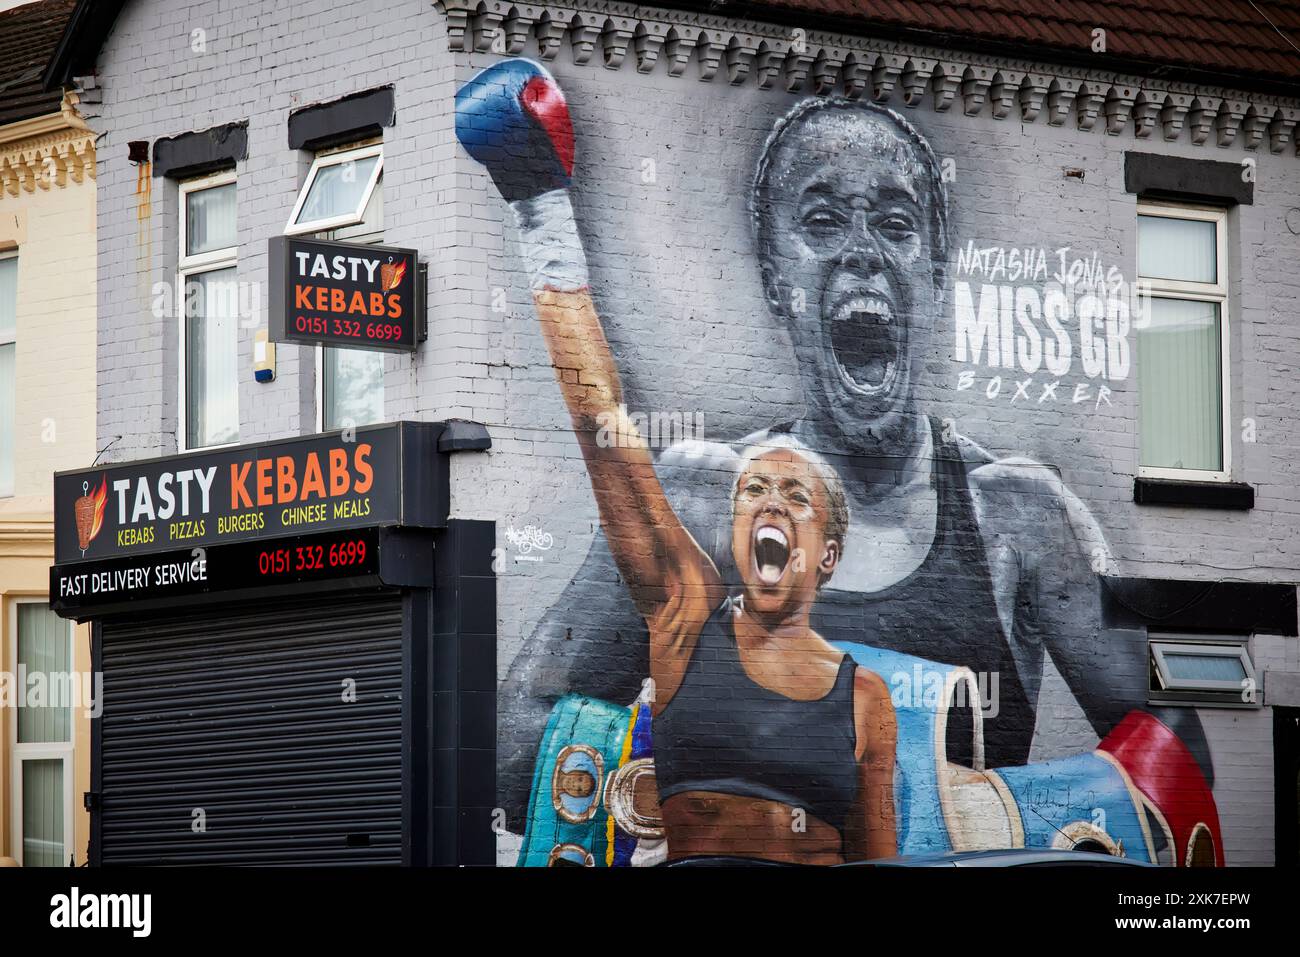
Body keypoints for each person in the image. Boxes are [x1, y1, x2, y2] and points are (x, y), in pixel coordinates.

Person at [456, 59, 1218, 862]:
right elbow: (527, 718)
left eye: (894, 223)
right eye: (821, 224)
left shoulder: (1017, 522)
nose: (861, 253)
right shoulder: (699, 510)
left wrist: (988, 816)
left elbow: (1172, 762)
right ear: (775, 273)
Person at [457, 61, 898, 863]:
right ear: (731, 538)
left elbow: (879, 857)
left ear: (826, 552)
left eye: (792, 495)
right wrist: (541, 210)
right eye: (751, 490)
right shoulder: (684, 620)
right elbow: (604, 430)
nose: (766, 501)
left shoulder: (865, 699)